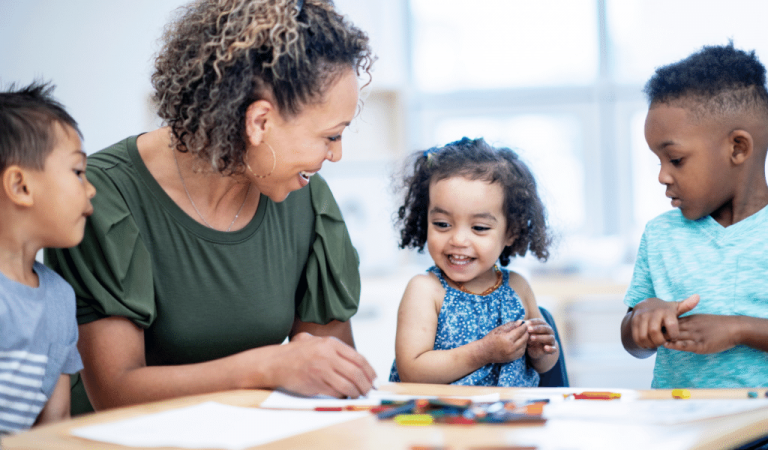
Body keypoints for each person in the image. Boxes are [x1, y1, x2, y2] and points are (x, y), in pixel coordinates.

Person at [45, 0, 377, 415]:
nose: (337, 154)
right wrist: (267, 365)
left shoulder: (306, 198)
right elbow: (116, 391)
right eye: (330, 136)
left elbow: (334, 379)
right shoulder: (100, 196)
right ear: (259, 122)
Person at [621, 43, 768, 388]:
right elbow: (633, 342)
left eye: (676, 160)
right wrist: (642, 322)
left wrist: (738, 329)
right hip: (681, 429)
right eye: (658, 162)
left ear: (737, 148)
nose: (662, 176)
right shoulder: (661, 235)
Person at [388, 137, 559, 386]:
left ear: (511, 231)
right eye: (442, 224)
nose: (458, 239)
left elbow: (543, 365)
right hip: (440, 418)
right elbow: (412, 371)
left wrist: (540, 351)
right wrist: (484, 352)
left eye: (479, 227)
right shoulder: (425, 290)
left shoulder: (518, 287)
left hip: (509, 417)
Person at [0, 81, 96, 433]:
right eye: (77, 172)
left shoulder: (60, 299)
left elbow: (55, 425)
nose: (91, 189)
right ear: (21, 187)